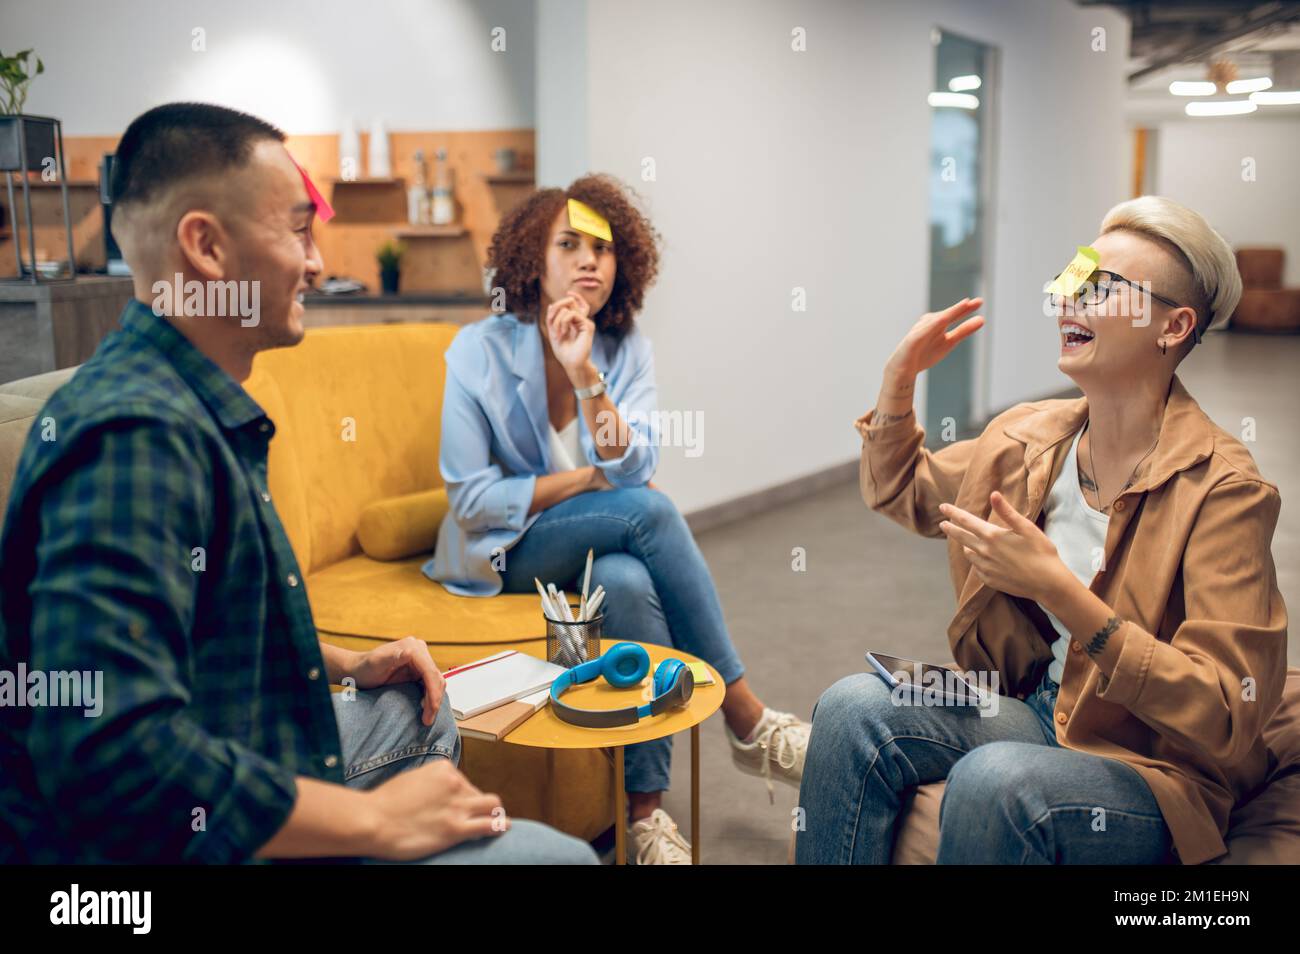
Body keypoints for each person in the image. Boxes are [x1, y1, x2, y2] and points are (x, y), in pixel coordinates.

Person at [0, 102, 595, 865]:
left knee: (414, 708)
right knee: (562, 860)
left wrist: (348, 662)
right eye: (298, 230)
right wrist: (376, 823)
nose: (316, 264)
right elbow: (112, 758)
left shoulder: (195, 404)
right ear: (206, 247)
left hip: (230, 737)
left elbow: (204, 628)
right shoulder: (134, 436)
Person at [796, 195, 1287, 865]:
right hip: (1038, 708)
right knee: (852, 707)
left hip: (1152, 765)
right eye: (1073, 276)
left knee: (995, 780)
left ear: (1172, 327)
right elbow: (904, 490)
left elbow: (1227, 713)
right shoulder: (1030, 437)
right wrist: (897, 381)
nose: (1068, 298)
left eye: (1101, 286)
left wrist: (1060, 592)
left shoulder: (1224, 489)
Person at [426, 174, 810, 863]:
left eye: (602, 249)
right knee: (650, 511)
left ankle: (644, 814)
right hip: (504, 549)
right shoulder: (476, 352)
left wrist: (584, 376)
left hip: (598, 541)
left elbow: (634, 464)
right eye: (569, 244)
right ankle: (747, 718)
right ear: (531, 260)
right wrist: (587, 479)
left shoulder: (624, 348)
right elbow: (472, 502)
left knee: (628, 581)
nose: (589, 261)